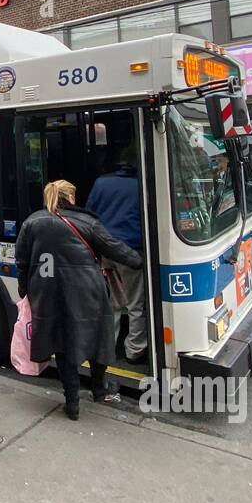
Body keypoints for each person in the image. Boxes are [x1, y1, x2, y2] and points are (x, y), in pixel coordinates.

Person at [16, 180, 143, 421]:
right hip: (87, 291)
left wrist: (26, 291)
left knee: (63, 347)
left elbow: (22, 261)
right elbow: (114, 248)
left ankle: (72, 403)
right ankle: (98, 388)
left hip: (47, 292)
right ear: (71, 197)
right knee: (98, 339)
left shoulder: (32, 222)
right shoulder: (88, 222)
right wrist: (140, 262)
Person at [86, 152, 148, 366]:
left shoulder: (101, 183)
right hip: (130, 252)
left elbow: (89, 214)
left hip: (104, 251)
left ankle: (108, 346)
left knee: (111, 302)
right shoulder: (141, 185)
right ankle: (134, 350)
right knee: (135, 303)